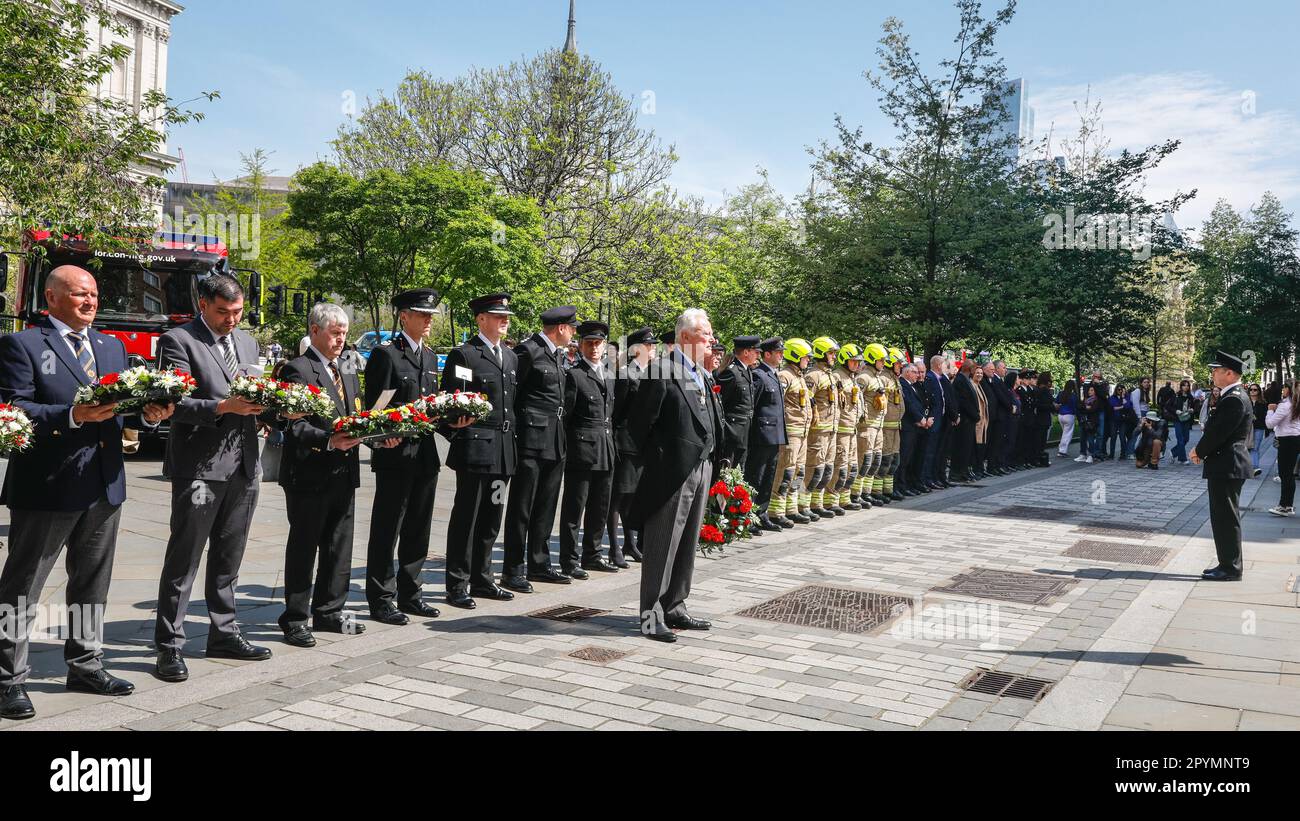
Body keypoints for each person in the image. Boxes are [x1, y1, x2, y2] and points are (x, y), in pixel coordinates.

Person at [0, 265, 172, 720]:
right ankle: (7, 679)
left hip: (104, 484)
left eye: (94, 294)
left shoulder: (111, 346)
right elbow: (14, 408)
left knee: (91, 584)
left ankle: (85, 664)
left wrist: (150, 415)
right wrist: (74, 416)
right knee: (22, 588)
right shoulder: (23, 344)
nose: (91, 302)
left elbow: (123, 411)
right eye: (80, 295)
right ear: (52, 298)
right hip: (47, 487)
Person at [153, 274, 273, 683]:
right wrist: (224, 406)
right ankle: (169, 645)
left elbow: (257, 389)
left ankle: (223, 632)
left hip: (244, 464)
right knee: (185, 558)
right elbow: (175, 403)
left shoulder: (248, 343)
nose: (231, 320)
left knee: (229, 556)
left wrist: (274, 410)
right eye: (223, 312)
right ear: (203, 304)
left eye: (237, 312)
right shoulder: (178, 341)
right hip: (200, 467)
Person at [278, 304, 394, 646]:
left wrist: (376, 437)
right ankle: (296, 618)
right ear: (314, 331)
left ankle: (329, 612)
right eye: (335, 332)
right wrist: (328, 440)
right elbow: (293, 425)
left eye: (344, 332)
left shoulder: (346, 369)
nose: (341, 339)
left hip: (344, 473)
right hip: (309, 474)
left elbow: (354, 416)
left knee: (339, 548)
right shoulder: (296, 370)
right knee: (305, 547)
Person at [625, 309, 724, 642]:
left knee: (686, 543)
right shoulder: (662, 370)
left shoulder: (702, 373)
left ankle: (675, 605)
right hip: (671, 471)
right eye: (705, 334)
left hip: (701, 465)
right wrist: (659, 461)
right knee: (663, 543)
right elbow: (639, 425)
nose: (711, 339)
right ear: (685, 337)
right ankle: (651, 613)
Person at [361, 288, 446, 623]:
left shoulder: (429, 356)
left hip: (424, 454)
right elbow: (374, 407)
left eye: (430, 316)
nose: (428, 321)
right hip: (396, 454)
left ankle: (412, 592)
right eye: (422, 315)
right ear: (404, 316)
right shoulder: (387, 355)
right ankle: (381, 598)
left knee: (418, 527)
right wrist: (383, 439)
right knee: (387, 528)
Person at [439, 293, 519, 609]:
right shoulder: (465, 356)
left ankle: (483, 579)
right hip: (475, 451)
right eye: (498, 315)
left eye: (506, 316)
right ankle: (457, 584)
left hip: (503, 453)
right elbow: (453, 400)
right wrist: (457, 428)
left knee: (491, 518)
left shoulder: (510, 357)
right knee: (467, 518)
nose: (504, 320)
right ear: (481, 319)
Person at [501, 306, 577, 592]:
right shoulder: (528, 351)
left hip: (555, 440)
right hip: (531, 440)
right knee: (522, 507)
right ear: (560, 328)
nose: (573, 334)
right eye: (572, 328)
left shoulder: (557, 355)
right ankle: (513, 569)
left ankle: (539, 563)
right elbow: (513, 396)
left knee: (546, 506)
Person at [558, 321, 619, 573]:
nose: (594, 348)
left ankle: (593, 554)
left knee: (600, 507)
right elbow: (567, 417)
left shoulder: (610, 374)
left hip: (605, 448)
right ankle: (569, 560)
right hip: (582, 450)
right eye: (589, 343)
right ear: (581, 345)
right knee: (575, 507)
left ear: (604, 346)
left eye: (598, 343)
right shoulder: (574, 374)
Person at [1190, 351, 1254, 581]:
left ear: (1229, 373)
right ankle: (1227, 563)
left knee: (1225, 517)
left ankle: (1231, 567)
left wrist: (1198, 451)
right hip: (1226, 463)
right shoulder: (1232, 395)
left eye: (1216, 370)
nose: (1213, 373)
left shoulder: (1234, 398)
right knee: (1223, 515)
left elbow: (1219, 433)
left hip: (1228, 464)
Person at [608, 327, 656, 562]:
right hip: (625, 443)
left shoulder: (651, 374)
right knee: (619, 497)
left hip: (642, 445)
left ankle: (630, 542)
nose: (652, 349)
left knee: (634, 497)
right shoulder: (626, 375)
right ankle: (615, 546)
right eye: (648, 345)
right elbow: (616, 413)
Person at [744, 337, 788, 532]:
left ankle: (762, 514)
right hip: (762, 435)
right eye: (778, 352)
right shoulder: (759, 375)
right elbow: (752, 407)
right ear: (767, 354)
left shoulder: (773, 374)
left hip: (774, 435)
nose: (781, 356)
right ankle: (749, 516)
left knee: (769, 477)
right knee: (756, 477)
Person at [773, 338, 813, 524]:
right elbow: (778, 404)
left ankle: (792, 507)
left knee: (799, 472)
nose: (808, 360)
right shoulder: (785, 376)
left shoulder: (800, 377)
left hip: (802, 432)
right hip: (791, 431)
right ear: (795, 356)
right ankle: (776, 511)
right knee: (786, 471)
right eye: (805, 357)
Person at [803, 337, 841, 517]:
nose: (834, 357)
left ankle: (818, 503)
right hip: (818, 431)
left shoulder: (830, 375)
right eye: (831, 353)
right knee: (814, 468)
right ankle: (805, 505)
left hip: (831, 430)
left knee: (826, 469)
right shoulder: (813, 376)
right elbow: (807, 401)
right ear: (821, 354)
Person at [715, 336, 760, 474]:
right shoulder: (732, 372)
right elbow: (721, 404)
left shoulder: (746, 371)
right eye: (756, 351)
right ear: (746, 352)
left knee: (739, 472)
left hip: (744, 432)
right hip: (733, 433)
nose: (758, 354)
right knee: (727, 473)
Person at [853, 343, 889, 508]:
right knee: (864, 461)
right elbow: (858, 402)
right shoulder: (863, 378)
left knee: (875, 461)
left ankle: (866, 493)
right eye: (881, 360)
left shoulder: (877, 377)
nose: (883, 363)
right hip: (867, 427)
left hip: (878, 426)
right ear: (873, 359)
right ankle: (855, 494)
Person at [831, 344, 865, 510]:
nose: (857, 365)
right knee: (840, 466)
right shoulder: (837, 377)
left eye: (859, 362)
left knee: (852, 467)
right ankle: (831, 501)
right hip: (842, 430)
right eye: (854, 361)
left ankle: (844, 498)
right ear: (845, 360)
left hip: (852, 430)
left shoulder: (852, 378)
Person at [1265, 380, 1300, 517]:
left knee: (1285, 474)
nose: (1282, 390)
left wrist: (1270, 411)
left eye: (1284, 387)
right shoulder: (1296, 404)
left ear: (1288, 389)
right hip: (1296, 438)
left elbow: (1270, 424)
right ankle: (1287, 505)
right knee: (1288, 474)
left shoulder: (1285, 405)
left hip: (1286, 440)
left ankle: (1285, 506)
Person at [921, 355, 951, 489]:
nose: (946, 367)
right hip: (933, 421)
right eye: (945, 364)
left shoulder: (940, 379)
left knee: (936, 451)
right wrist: (931, 417)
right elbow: (930, 401)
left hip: (940, 420)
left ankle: (932, 477)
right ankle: (926, 478)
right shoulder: (930, 378)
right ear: (939, 365)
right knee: (929, 452)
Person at [1167, 380, 1198, 466]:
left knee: (1186, 439)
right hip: (1177, 419)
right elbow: (1168, 406)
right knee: (1180, 439)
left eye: (1187, 385)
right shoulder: (1176, 395)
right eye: (1184, 385)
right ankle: (1182, 459)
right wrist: (1175, 410)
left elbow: (1193, 406)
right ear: (1181, 386)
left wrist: (1192, 409)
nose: (1186, 387)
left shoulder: (1190, 396)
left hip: (1186, 419)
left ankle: (1173, 452)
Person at [1123, 377, 1152, 459]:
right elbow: (1135, 405)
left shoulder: (1145, 392)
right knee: (1136, 433)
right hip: (1140, 414)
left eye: (1147, 382)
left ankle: (1138, 451)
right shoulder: (1137, 391)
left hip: (1145, 413)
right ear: (1141, 383)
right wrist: (1139, 417)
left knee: (1144, 434)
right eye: (1144, 382)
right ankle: (1129, 452)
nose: (1146, 383)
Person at [1076, 384, 1104, 464]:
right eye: (1089, 390)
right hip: (1084, 421)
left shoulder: (1096, 400)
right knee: (1082, 438)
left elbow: (1093, 409)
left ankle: (1091, 455)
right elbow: (1079, 407)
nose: (1090, 392)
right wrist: (1086, 407)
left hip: (1092, 422)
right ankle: (1082, 454)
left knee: (1090, 439)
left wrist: (1085, 408)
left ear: (1095, 391)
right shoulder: (1085, 399)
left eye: (1092, 390)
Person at [1033, 371, 1055, 467]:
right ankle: (1039, 458)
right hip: (1042, 418)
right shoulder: (1044, 390)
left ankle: (1039, 458)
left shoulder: (1039, 389)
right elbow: (1043, 405)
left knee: (1040, 440)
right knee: (1041, 440)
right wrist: (1053, 406)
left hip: (1041, 418)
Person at [1248, 385, 1270, 477]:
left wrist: (1267, 429)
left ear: (1259, 391)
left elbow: (1265, 417)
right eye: (1251, 389)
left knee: (1255, 447)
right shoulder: (1245, 401)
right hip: (1247, 428)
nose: (1252, 391)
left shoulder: (1263, 403)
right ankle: (1248, 467)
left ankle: (1255, 467)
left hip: (1258, 427)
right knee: (1247, 447)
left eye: (1255, 390)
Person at [1056, 379, 1077, 458]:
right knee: (1067, 434)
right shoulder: (1073, 396)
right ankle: (1062, 451)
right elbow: (1074, 407)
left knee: (1064, 433)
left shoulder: (1061, 393)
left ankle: (1061, 449)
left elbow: (1057, 402)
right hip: (1069, 415)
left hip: (1060, 415)